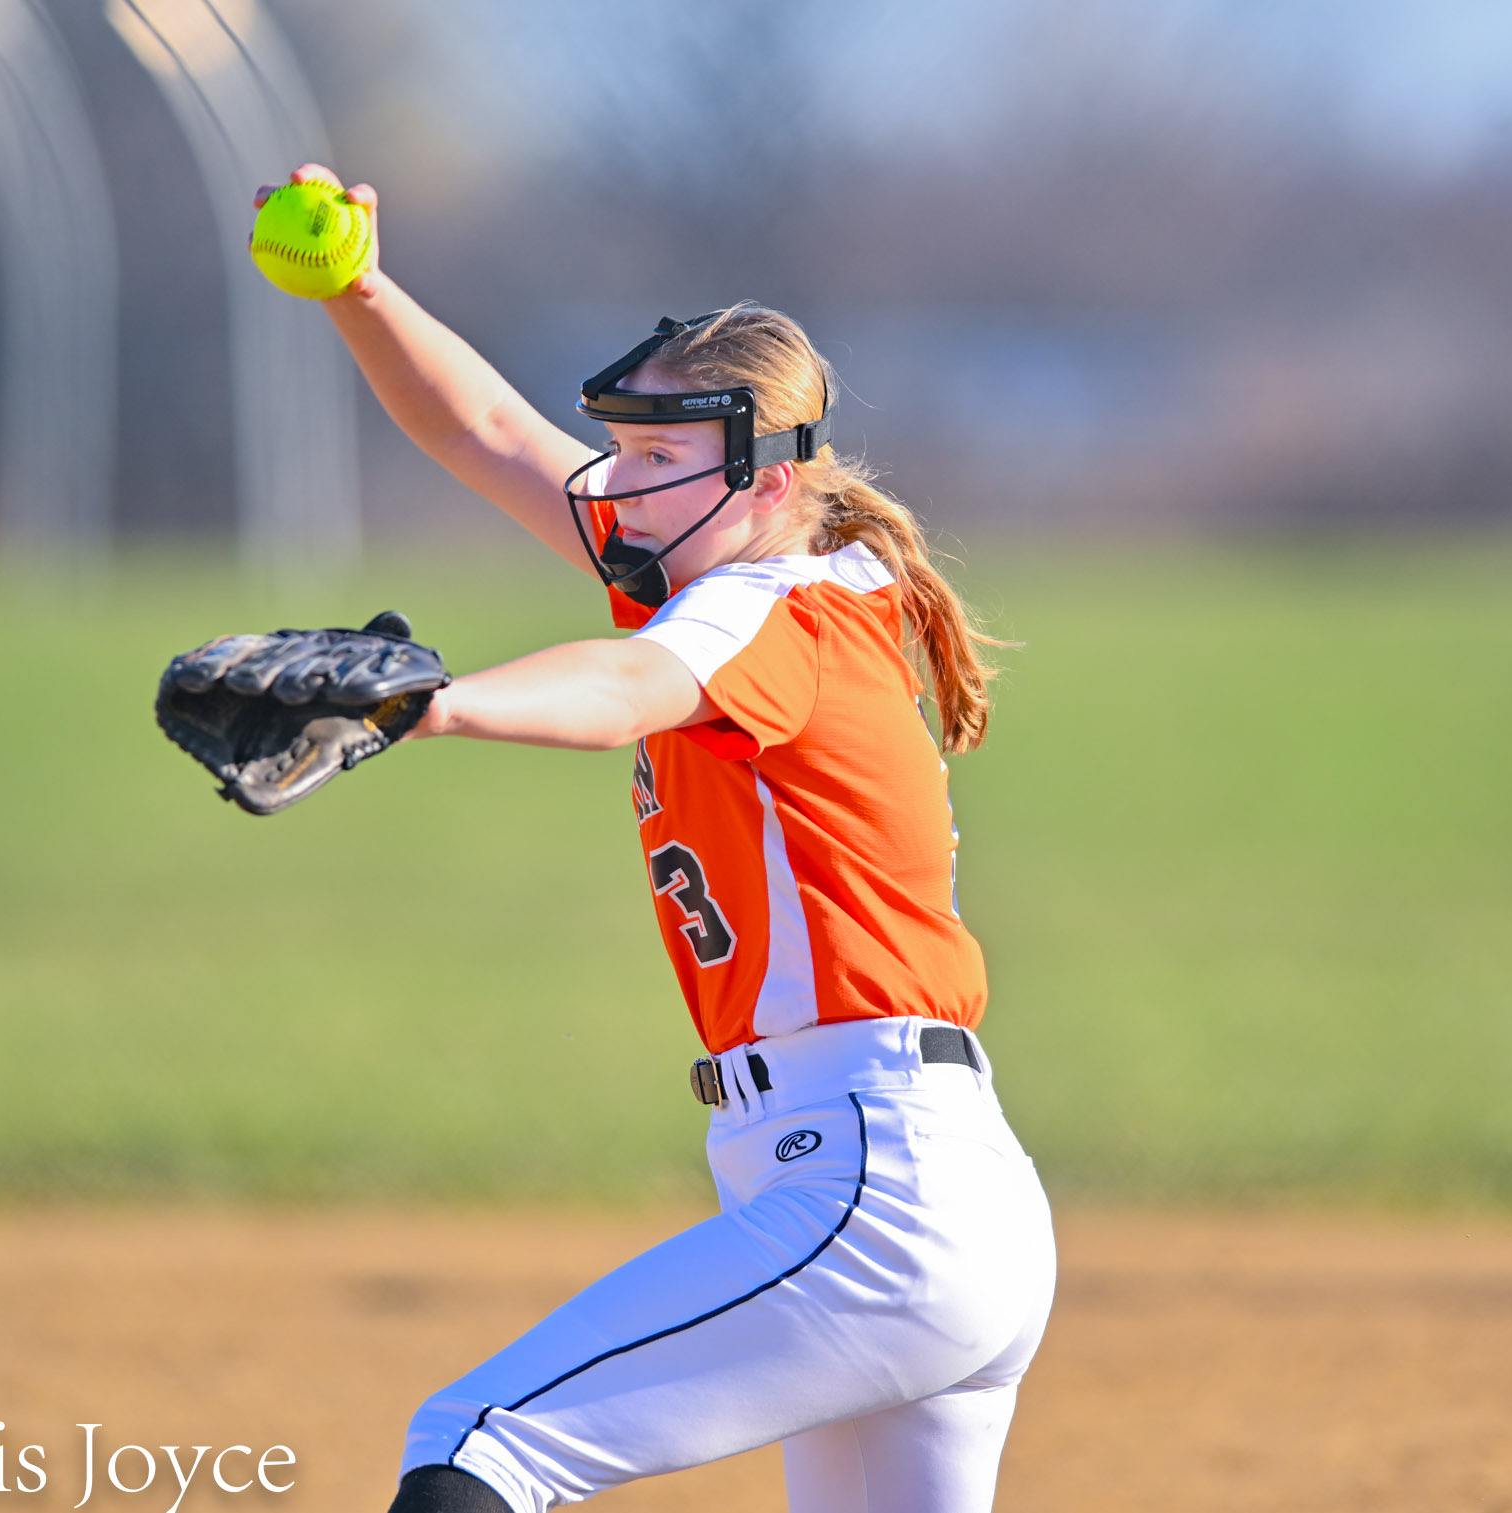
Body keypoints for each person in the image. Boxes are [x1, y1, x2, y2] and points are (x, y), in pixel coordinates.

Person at [269, 164, 1056, 1513]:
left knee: (476, 1445)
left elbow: (625, 689)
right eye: (623, 452)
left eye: (657, 460)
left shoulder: (764, 612)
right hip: (921, 1186)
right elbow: (487, 435)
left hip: (869, 1185)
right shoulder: (765, 581)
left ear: (764, 479)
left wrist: (428, 704)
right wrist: (358, 289)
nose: (617, 490)